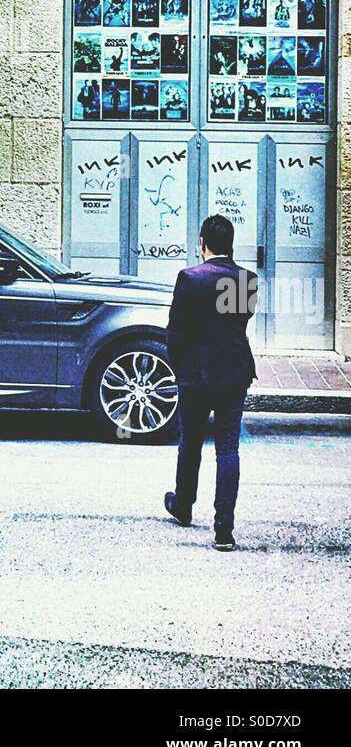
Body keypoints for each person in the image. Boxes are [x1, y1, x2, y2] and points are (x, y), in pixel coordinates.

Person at [164, 214, 258, 551]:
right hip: (234, 372)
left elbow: (176, 332)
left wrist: (180, 368)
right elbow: (237, 324)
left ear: (203, 243)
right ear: (230, 244)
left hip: (196, 375)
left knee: (190, 441)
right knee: (228, 448)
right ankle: (224, 530)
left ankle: (184, 505)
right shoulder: (247, 279)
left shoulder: (190, 278)